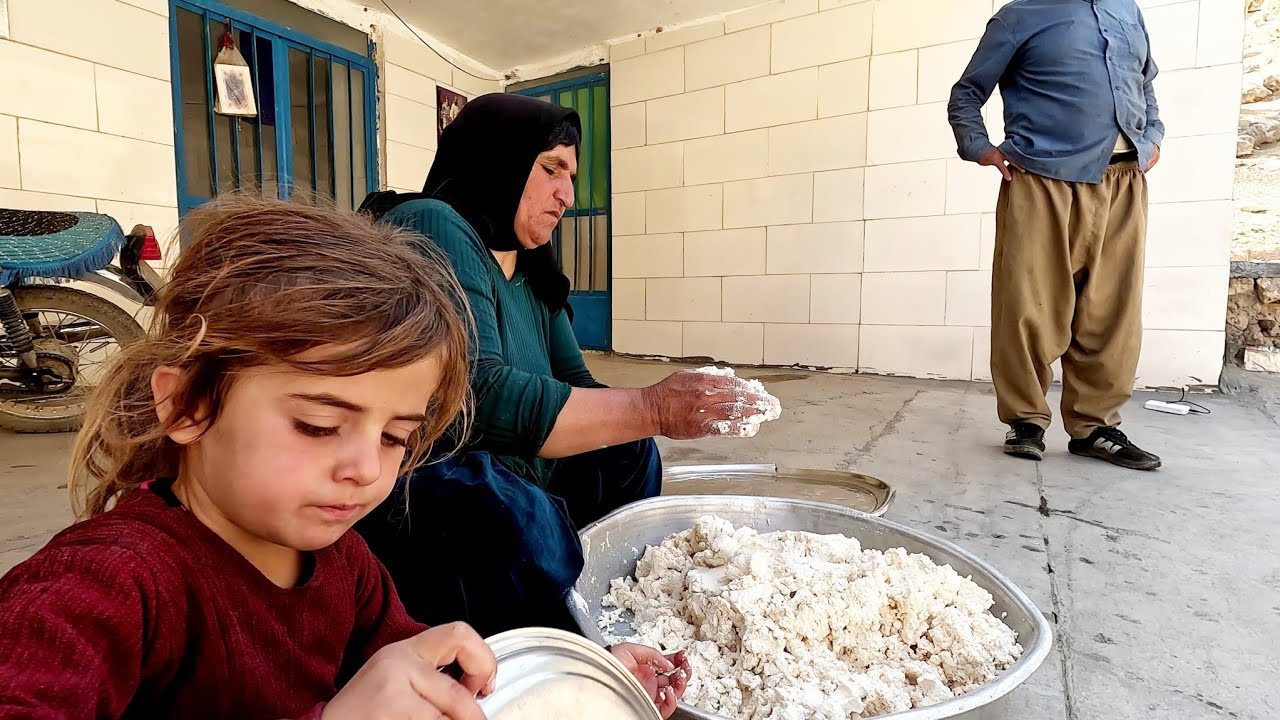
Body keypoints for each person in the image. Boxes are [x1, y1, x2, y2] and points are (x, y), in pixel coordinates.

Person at [0, 196, 688, 719]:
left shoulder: (344, 566)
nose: (366, 469)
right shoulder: (102, 587)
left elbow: (435, 684)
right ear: (186, 407)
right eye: (320, 425)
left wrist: (578, 680)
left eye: (396, 437)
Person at [357, 93, 775, 638]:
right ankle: (540, 642)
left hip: (520, 470)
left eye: (571, 177)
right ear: (496, 159)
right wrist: (655, 405)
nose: (567, 195)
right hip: (436, 475)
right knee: (515, 516)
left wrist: (649, 417)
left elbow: (576, 381)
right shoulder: (434, 225)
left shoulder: (531, 265)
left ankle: (596, 581)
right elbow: (478, 394)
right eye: (551, 168)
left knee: (628, 449)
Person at [948, 0, 1164, 471]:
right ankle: (1025, 420)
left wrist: (1153, 138)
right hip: (1041, 181)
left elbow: (1145, 84)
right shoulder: (1020, 15)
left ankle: (1095, 428)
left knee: (1113, 309)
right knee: (1030, 305)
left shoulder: (1126, 10)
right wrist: (979, 147)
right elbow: (967, 92)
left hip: (1123, 182)